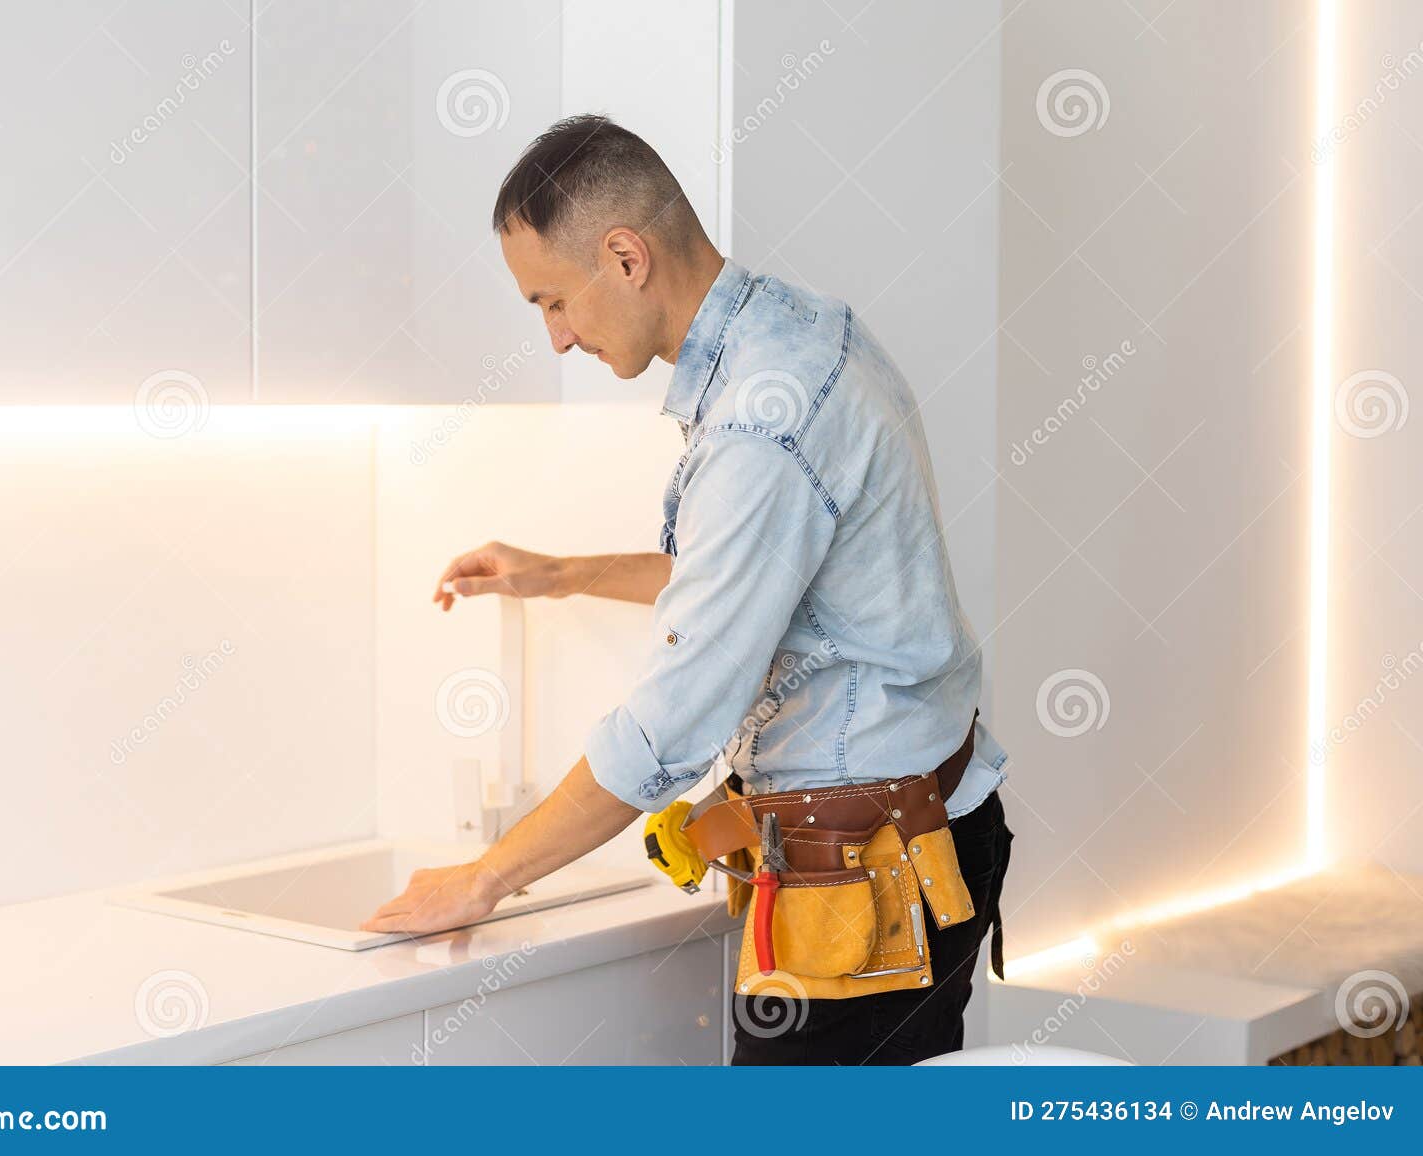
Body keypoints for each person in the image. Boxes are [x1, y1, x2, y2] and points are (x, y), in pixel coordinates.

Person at [362, 114, 1013, 1065]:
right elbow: (767, 578)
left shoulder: (760, 425)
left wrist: (485, 879)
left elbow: (673, 726)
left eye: (552, 301)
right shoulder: (802, 330)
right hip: (921, 842)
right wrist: (564, 575)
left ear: (625, 256)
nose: (554, 337)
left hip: (874, 894)